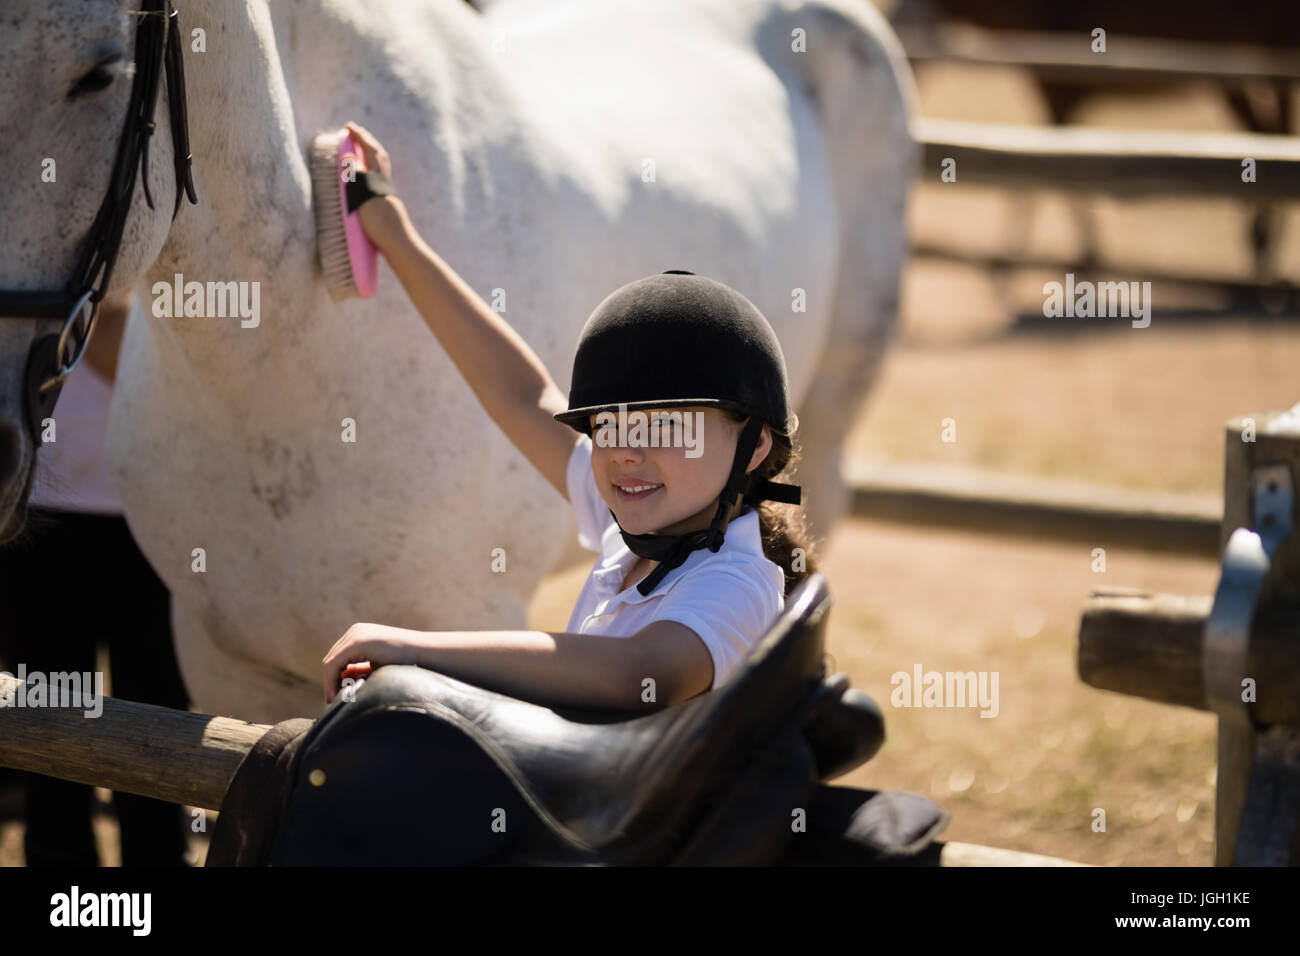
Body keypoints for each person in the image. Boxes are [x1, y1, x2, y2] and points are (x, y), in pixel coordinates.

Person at [322, 122, 820, 712]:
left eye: (664, 426)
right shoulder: (648, 516)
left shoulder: (737, 582)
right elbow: (518, 393)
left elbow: (639, 672)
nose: (627, 451)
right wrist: (393, 234)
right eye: (607, 426)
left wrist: (417, 650)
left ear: (755, 447)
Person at [0, 292, 192, 867]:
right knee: (52, 721)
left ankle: (154, 875)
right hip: (41, 515)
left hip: (151, 514)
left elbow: (116, 354)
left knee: (155, 721)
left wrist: (96, 291)